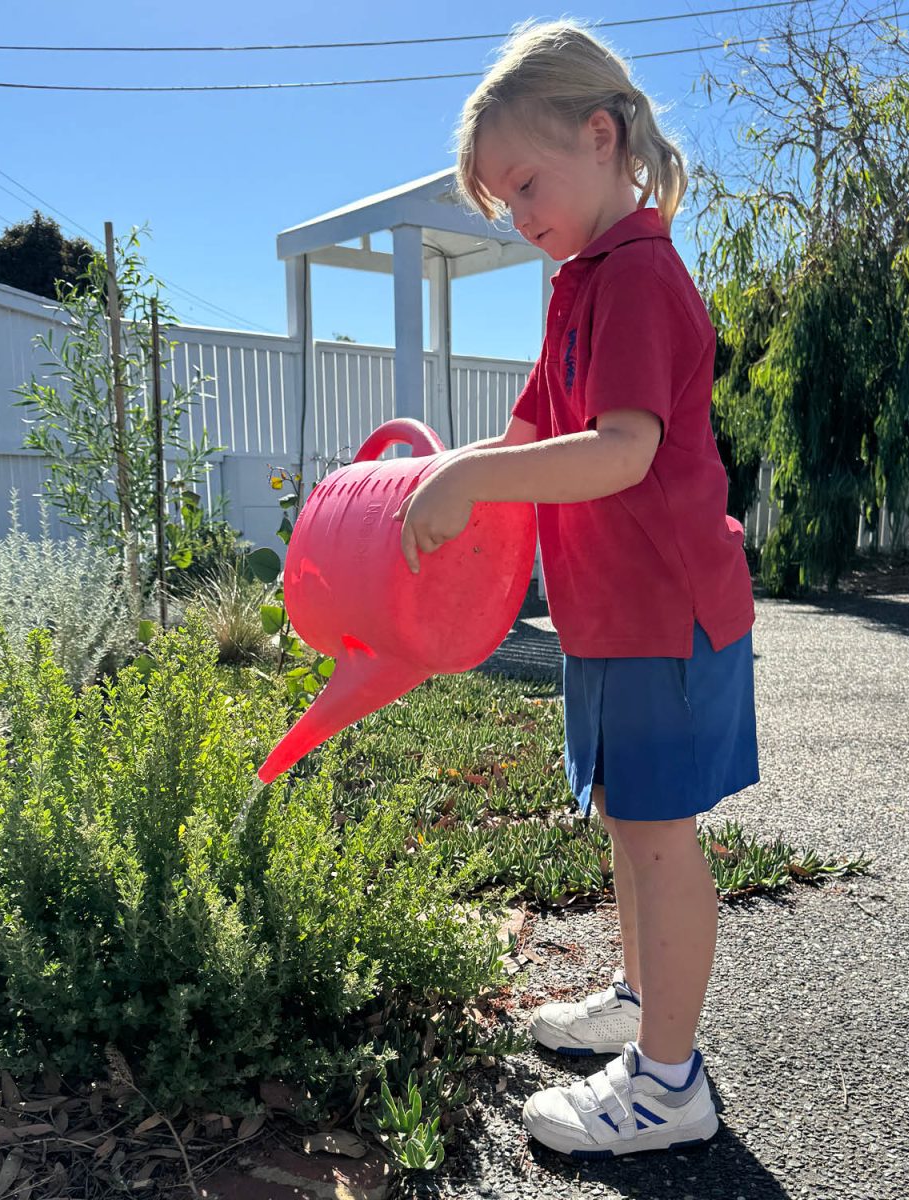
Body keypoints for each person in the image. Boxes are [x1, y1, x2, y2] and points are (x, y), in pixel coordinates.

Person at [393, 18, 760, 1160]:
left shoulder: (639, 276)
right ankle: (643, 1006)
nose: (514, 215)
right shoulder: (579, 282)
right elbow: (528, 430)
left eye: (524, 183)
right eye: (499, 200)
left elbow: (620, 450)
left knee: (659, 839)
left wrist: (472, 477)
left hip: (664, 612)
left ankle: (668, 1084)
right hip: (611, 616)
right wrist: (455, 481)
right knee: (625, 824)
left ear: (601, 138)